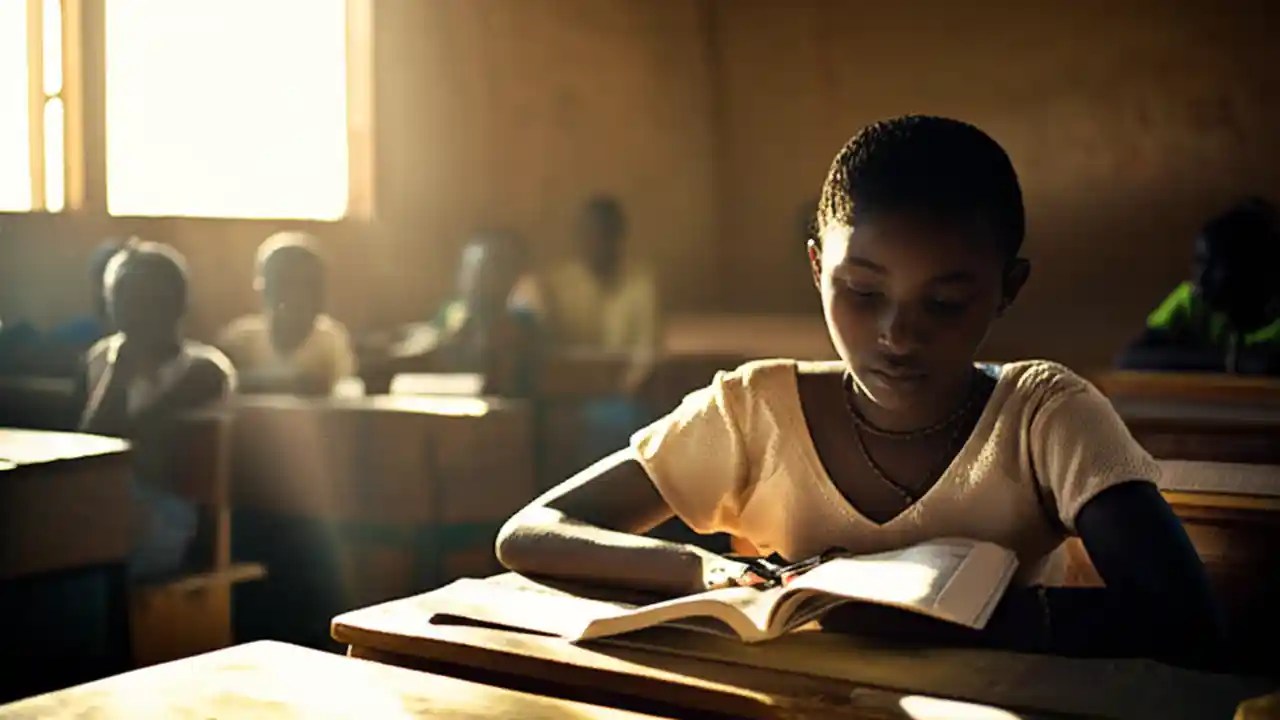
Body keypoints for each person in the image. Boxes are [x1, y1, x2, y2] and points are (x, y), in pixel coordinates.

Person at [496, 116, 1224, 665]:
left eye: (943, 304)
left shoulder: (1045, 415)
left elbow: (1184, 617)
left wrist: (943, 618)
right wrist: (702, 565)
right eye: (861, 291)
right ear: (817, 268)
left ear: (1009, 289)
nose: (896, 335)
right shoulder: (754, 412)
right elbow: (532, 533)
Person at [80, 240, 235, 579]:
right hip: (103, 503)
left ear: (178, 305)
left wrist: (121, 370)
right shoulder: (98, 360)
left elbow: (135, 451)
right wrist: (118, 369)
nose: (133, 312)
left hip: (170, 510)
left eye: (147, 299)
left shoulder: (204, 371)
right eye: (121, 298)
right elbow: (85, 457)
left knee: (97, 552)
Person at [1119, 198, 1280, 374]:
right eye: (1199, 263)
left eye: (1214, 265)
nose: (1200, 277)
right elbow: (1131, 357)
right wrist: (1232, 361)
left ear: (1251, 266)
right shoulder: (1191, 299)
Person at [217, 232, 356, 395]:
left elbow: (339, 390)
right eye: (284, 284)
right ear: (263, 288)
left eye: (307, 287)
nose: (294, 297)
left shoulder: (329, 341)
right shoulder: (241, 340)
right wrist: (297, 383)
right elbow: (223, 384)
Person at [546, 195, 660, 391]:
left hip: (626, 393)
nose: (595, 242)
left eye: (603, 235)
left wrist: (626, 388)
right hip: (570, 394)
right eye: (588, 234)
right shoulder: (557, 285)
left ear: (618, 237)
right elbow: (549, 351)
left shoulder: (641, 284)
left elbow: (647, 351)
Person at [427, 230, 541, 396]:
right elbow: (431, 358)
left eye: (485, 270)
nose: (474, 280)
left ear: (508, 276)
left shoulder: (522, 321)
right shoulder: (450, 315)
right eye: (468, 269)